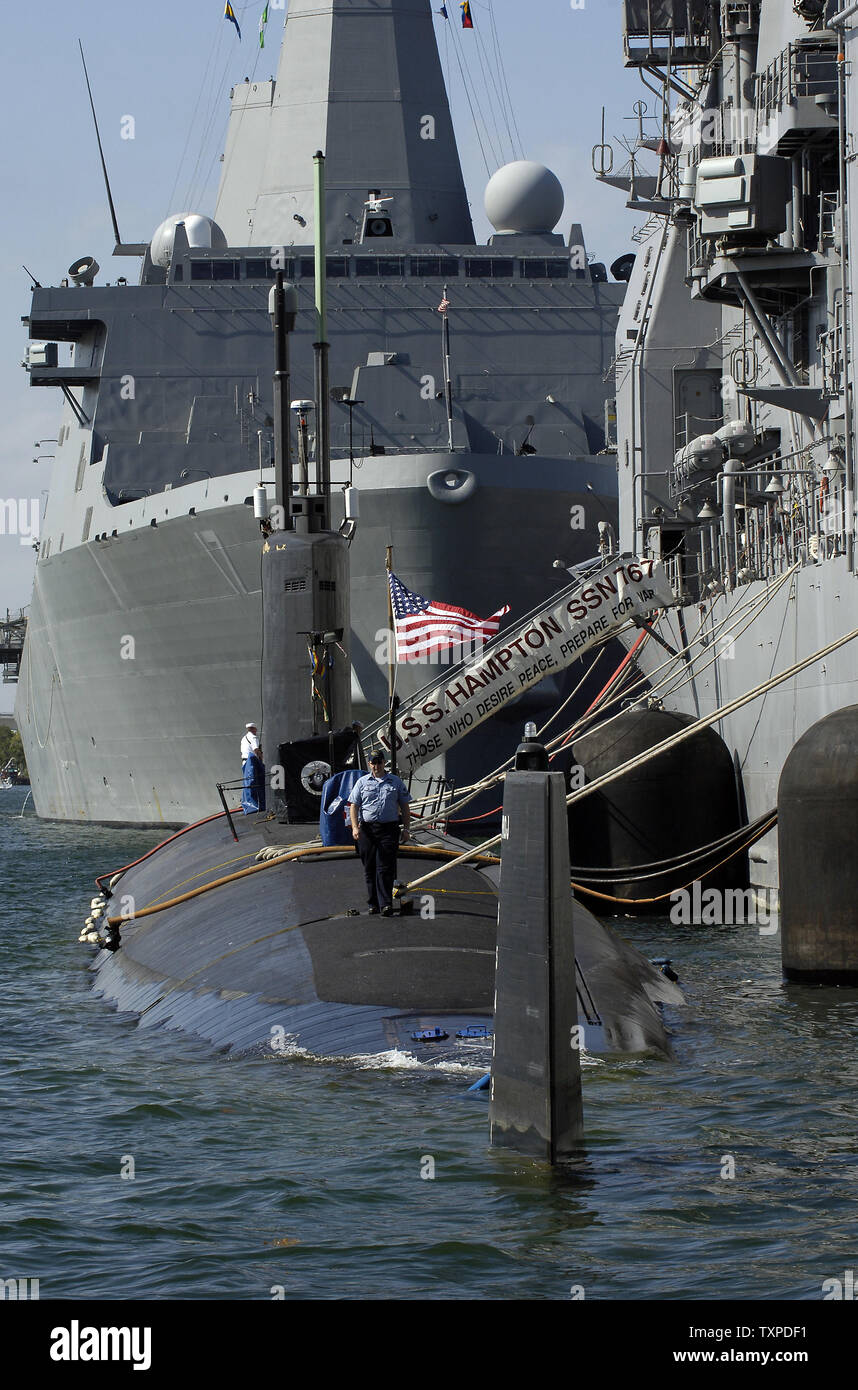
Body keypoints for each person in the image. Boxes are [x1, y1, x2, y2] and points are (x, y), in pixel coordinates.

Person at [349, 752, 412, 915]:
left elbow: (405, 806)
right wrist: (355, 827)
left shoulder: (395, 782)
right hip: (368, 830)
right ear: (369, 764)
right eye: (373, 763)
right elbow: (354, 806)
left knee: (384, 867)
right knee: (369, 867)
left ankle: (386, 904)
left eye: (379, 762)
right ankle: (373, 904)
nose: (376, 766)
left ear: (384, 763)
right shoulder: (362, 783)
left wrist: (406, 829)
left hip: (389, 829)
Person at [240, 722, 266, 814]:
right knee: (252, 782)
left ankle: (246, 802)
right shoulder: (253, 737)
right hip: (250, 763)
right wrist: (261, 760)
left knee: (247, 782)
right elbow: (256, 749)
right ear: (254, 729)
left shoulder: (244, 738)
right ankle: (255, 805)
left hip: (244, 762)